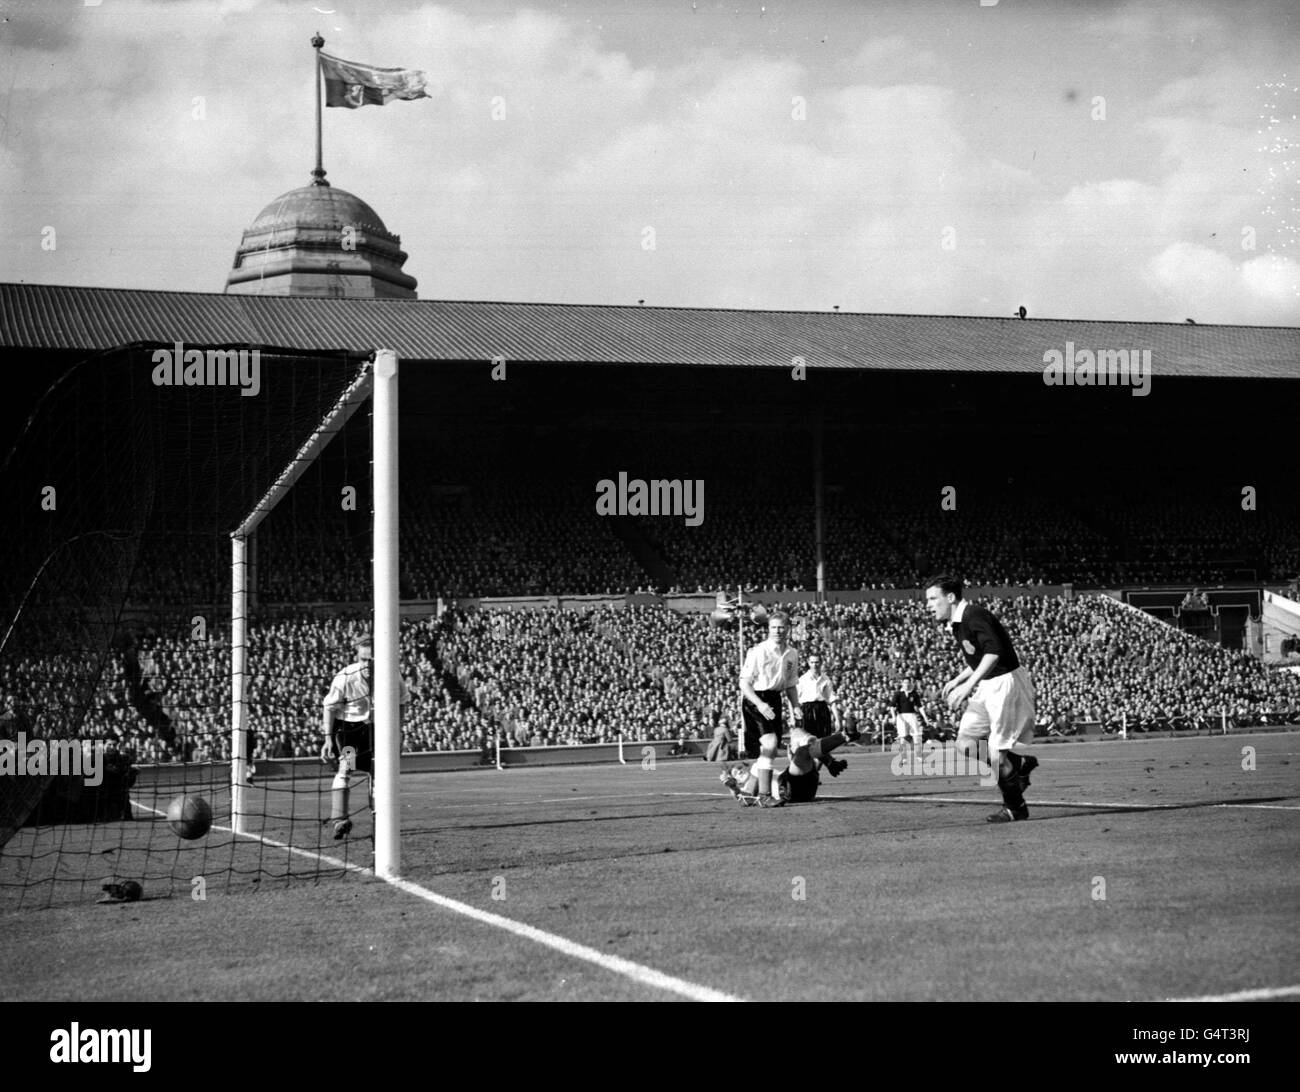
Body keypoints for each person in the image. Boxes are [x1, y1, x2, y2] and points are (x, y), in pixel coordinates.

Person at [923, 576, 1039, 823]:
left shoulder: (974, 616)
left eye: (933, 598)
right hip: (987, 685)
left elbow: (994, 653)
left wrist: (967, 686)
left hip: (1005, 685)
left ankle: (1015, 808)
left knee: (997, 756)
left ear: (950, 597)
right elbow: (979, 657)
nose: (929, 605)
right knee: (965, 744)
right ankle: (1018, 764)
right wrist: (957, 679)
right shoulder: (957, 622)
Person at [321, 632, 408, 841]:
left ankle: (379, 820)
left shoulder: (390, 673)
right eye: (364, 646)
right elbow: (329, 707)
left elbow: (402, 701)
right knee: (346, 768)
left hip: (378, 731)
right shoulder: (346, 675)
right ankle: (339, 818)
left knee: (377, 773)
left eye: (372, 645)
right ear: (357, 649)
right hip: (350, 731)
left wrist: (399, 730)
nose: (368, 650)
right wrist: (328, 738)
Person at [738, 611, 801, 806]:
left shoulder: (792, 654)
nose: (777, 631)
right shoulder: (758, 651)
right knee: (770, 744)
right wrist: (760, 704)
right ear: (768, 629)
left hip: (775, 699)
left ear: (787, 629)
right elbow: (744, 684)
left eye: (780, 627)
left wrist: (795, 706)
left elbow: (790, 685)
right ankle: (764, 796)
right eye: (773, 627)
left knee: (770, 751)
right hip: (756, 699)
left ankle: (748, 791)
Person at [721, 722, 860, 805]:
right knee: (802, 751)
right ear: (737, 781)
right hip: (790, 790)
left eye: (739, 768)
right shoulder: (752, 778)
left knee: (798, 736)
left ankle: (841, 742)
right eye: (736, 774)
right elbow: (746, 799)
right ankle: (841, 741)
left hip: (802, 784)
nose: (739, 772)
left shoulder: (759, 767)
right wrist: (733, 788)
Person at [796, 654, 838, 739]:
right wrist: (794, 715)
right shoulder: (802, 679)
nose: (815, 665)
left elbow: (831, 700)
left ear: (821, 663)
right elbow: (794, 698)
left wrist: (837, 719)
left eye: (817, 662)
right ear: (808, 663)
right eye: (812, 662)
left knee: (824, 737)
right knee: (807, 738)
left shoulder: (826, 679)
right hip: (807, 709)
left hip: (822, 708)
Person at [890, 674, 927, 755]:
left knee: (916, 736)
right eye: (905, 682)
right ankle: (904, 757)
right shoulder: (898, 694)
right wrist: (893, 717)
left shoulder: (914, 693)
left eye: (908, 682)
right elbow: (892, 706)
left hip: (912, 715)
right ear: (902, 683)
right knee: (902, 737)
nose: (906, 684)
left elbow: (920, 706)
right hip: (901, 716)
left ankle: (919, 755)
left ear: (910, 683)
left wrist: (925, 717)